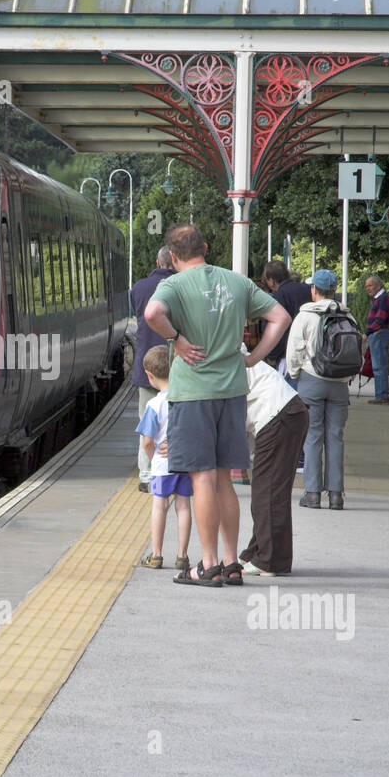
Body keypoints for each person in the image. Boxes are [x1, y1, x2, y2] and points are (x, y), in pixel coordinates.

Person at [143, 224, 291, 586]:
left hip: (193, 395)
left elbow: (152, 314)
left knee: (202, 477)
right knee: (224, 477)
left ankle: (207, 564)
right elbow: (281, 318)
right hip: (232, 392)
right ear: (205, 247)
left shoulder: (174, 285)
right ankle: (230, 561)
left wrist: (176, 339)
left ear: (173, 256)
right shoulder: (236, 282)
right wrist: (254, 358)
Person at [285, 268, 352, 510]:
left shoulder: (305, 316)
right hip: (339, 384)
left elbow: (293, 352)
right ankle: (336, 495)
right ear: (333, 291)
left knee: (312, 436)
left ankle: (312, 493)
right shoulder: (347, 316)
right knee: (335, 436)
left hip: (311, 380)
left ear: (314, 290)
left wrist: (295, 375)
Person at [239, 348, 309, 576]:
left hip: (277, 416)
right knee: (272, 491)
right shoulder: (234, 353)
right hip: (288, 412)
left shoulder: (228, 359)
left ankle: (267, 560)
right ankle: (265, 554)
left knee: (266, 491)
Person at [135, 345, 193, 571]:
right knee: (184, 507)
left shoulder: (153, 404)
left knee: (160, 507)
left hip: (162, 465)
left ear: (149, 375)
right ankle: (182, 556)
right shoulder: (186, 399)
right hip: (184, 463)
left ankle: (157, 555)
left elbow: (148, 441)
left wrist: (153, 457)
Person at [130, 247, 176, 490]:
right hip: (178, 365)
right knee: (177, 419)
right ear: (175, 261)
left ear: (157, 261)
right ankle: (174, 467)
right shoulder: (181, 286)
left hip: (148, 365)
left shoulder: (139, 288)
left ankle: (146, 474)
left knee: (146, 420)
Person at [259, 260, 312, 371]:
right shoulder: (308, 290)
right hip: (312, 354)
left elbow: (274, 330)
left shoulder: (278, 298)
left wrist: (271, 355)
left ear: (271, 280)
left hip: (288, 356)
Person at [363, 275, 389, 404]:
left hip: (379, 334)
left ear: (378, 285)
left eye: (370, 286)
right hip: (378, 334)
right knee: (377, 366)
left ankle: (382, 396)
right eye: (366, 287)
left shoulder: (383, 299)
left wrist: (367, 333)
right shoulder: (379, 299)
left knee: (379, 366)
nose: (368, 289)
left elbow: (379, 320)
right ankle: (380, 395)